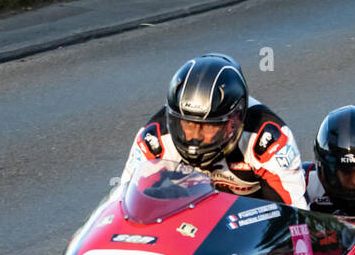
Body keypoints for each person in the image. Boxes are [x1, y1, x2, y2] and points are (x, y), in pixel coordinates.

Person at [118, 54, 307, 207]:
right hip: (183, 224)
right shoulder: (154, 139)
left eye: (208, 126)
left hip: (252, 229)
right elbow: (121, 205)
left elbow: (297, 217)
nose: (195, 137)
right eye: (188, 125)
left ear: (234, 121)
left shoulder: (267, 140)